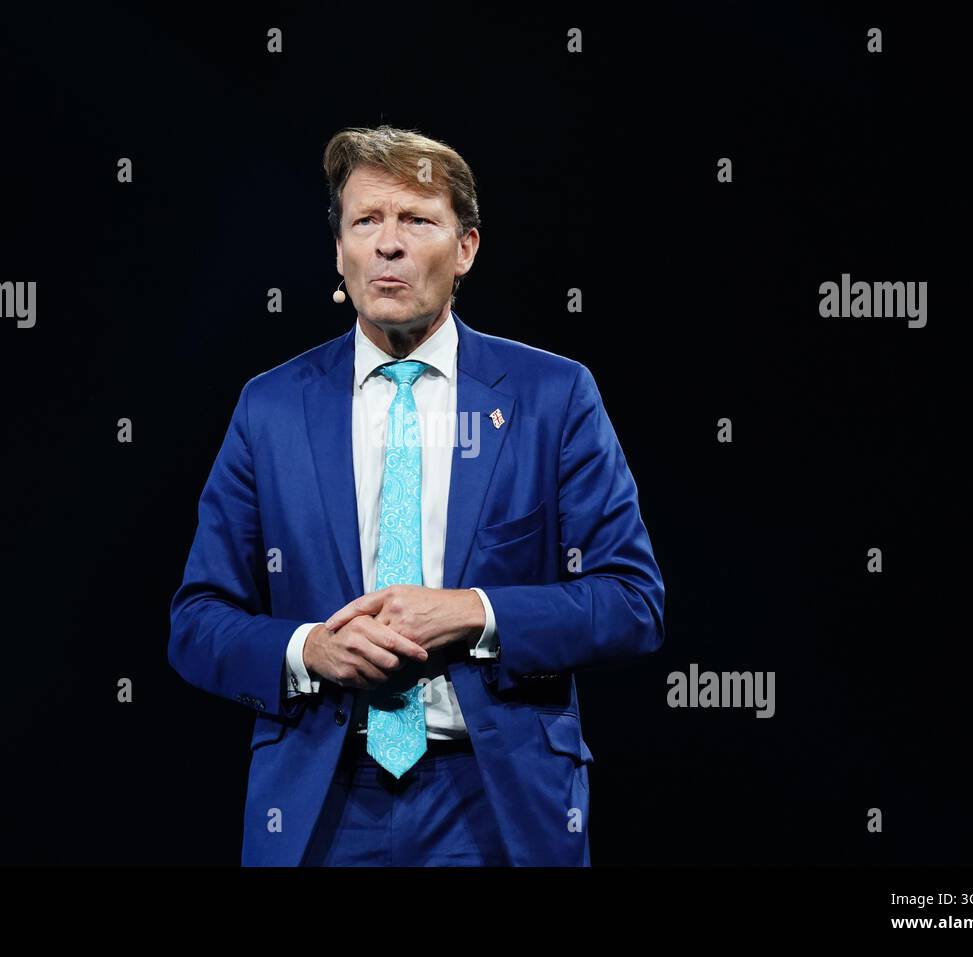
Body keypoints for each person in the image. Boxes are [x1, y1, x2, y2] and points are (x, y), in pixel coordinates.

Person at [168, 125, 665, 866]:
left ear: (465, 248)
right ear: (339, 250)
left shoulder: (552, 396)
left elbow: (632, 602)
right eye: (365, 221)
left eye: (418, 220)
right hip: (319, 800)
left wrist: (473, 612)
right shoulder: (270, 407)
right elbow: (196, 621)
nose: (388, 244)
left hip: (497, 802)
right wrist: (312, 649)